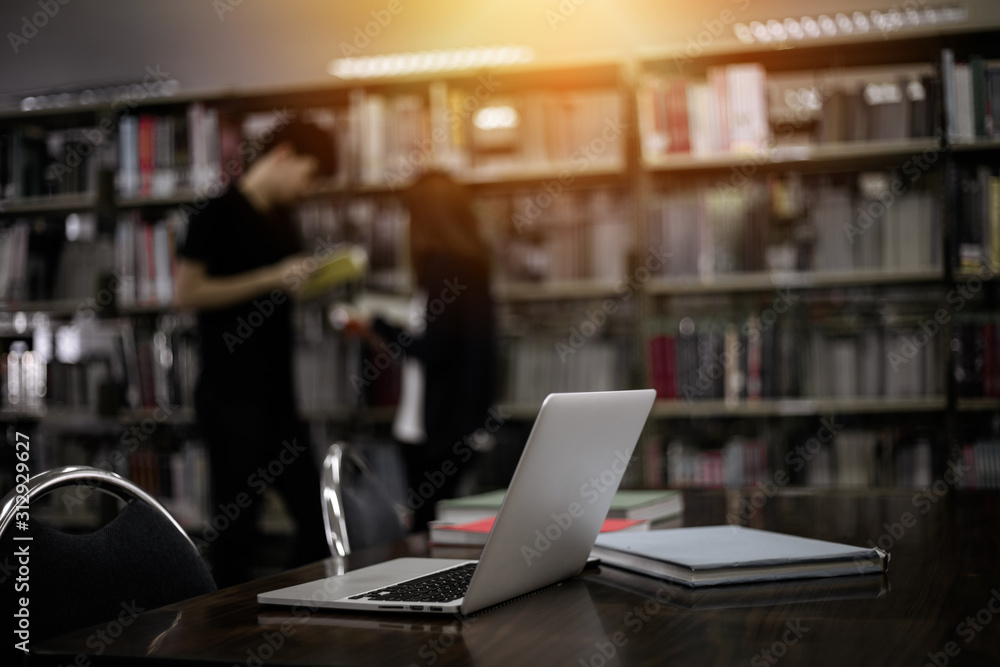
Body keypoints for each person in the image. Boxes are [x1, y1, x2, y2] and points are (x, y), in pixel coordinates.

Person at [173, 119, 334, 587]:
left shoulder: (283, 219)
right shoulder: (214, 214)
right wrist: (273, 277)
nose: (307, 189)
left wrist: (313, 280)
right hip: (230, 399)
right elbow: (188, 292)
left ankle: (292, 619)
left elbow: (286, 289)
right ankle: (232, 637)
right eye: (308, 175)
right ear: (283, 154)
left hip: (280, 397)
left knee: (317, 516)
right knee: (237, 532)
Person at [350, 170, 498, 532]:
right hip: (457, 423)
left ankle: (427, 590)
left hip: (436, 428)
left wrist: (378, 326)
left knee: (428, 530)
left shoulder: (442, 268)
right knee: (446, 526)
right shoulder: (473, 267)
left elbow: (434, 348)